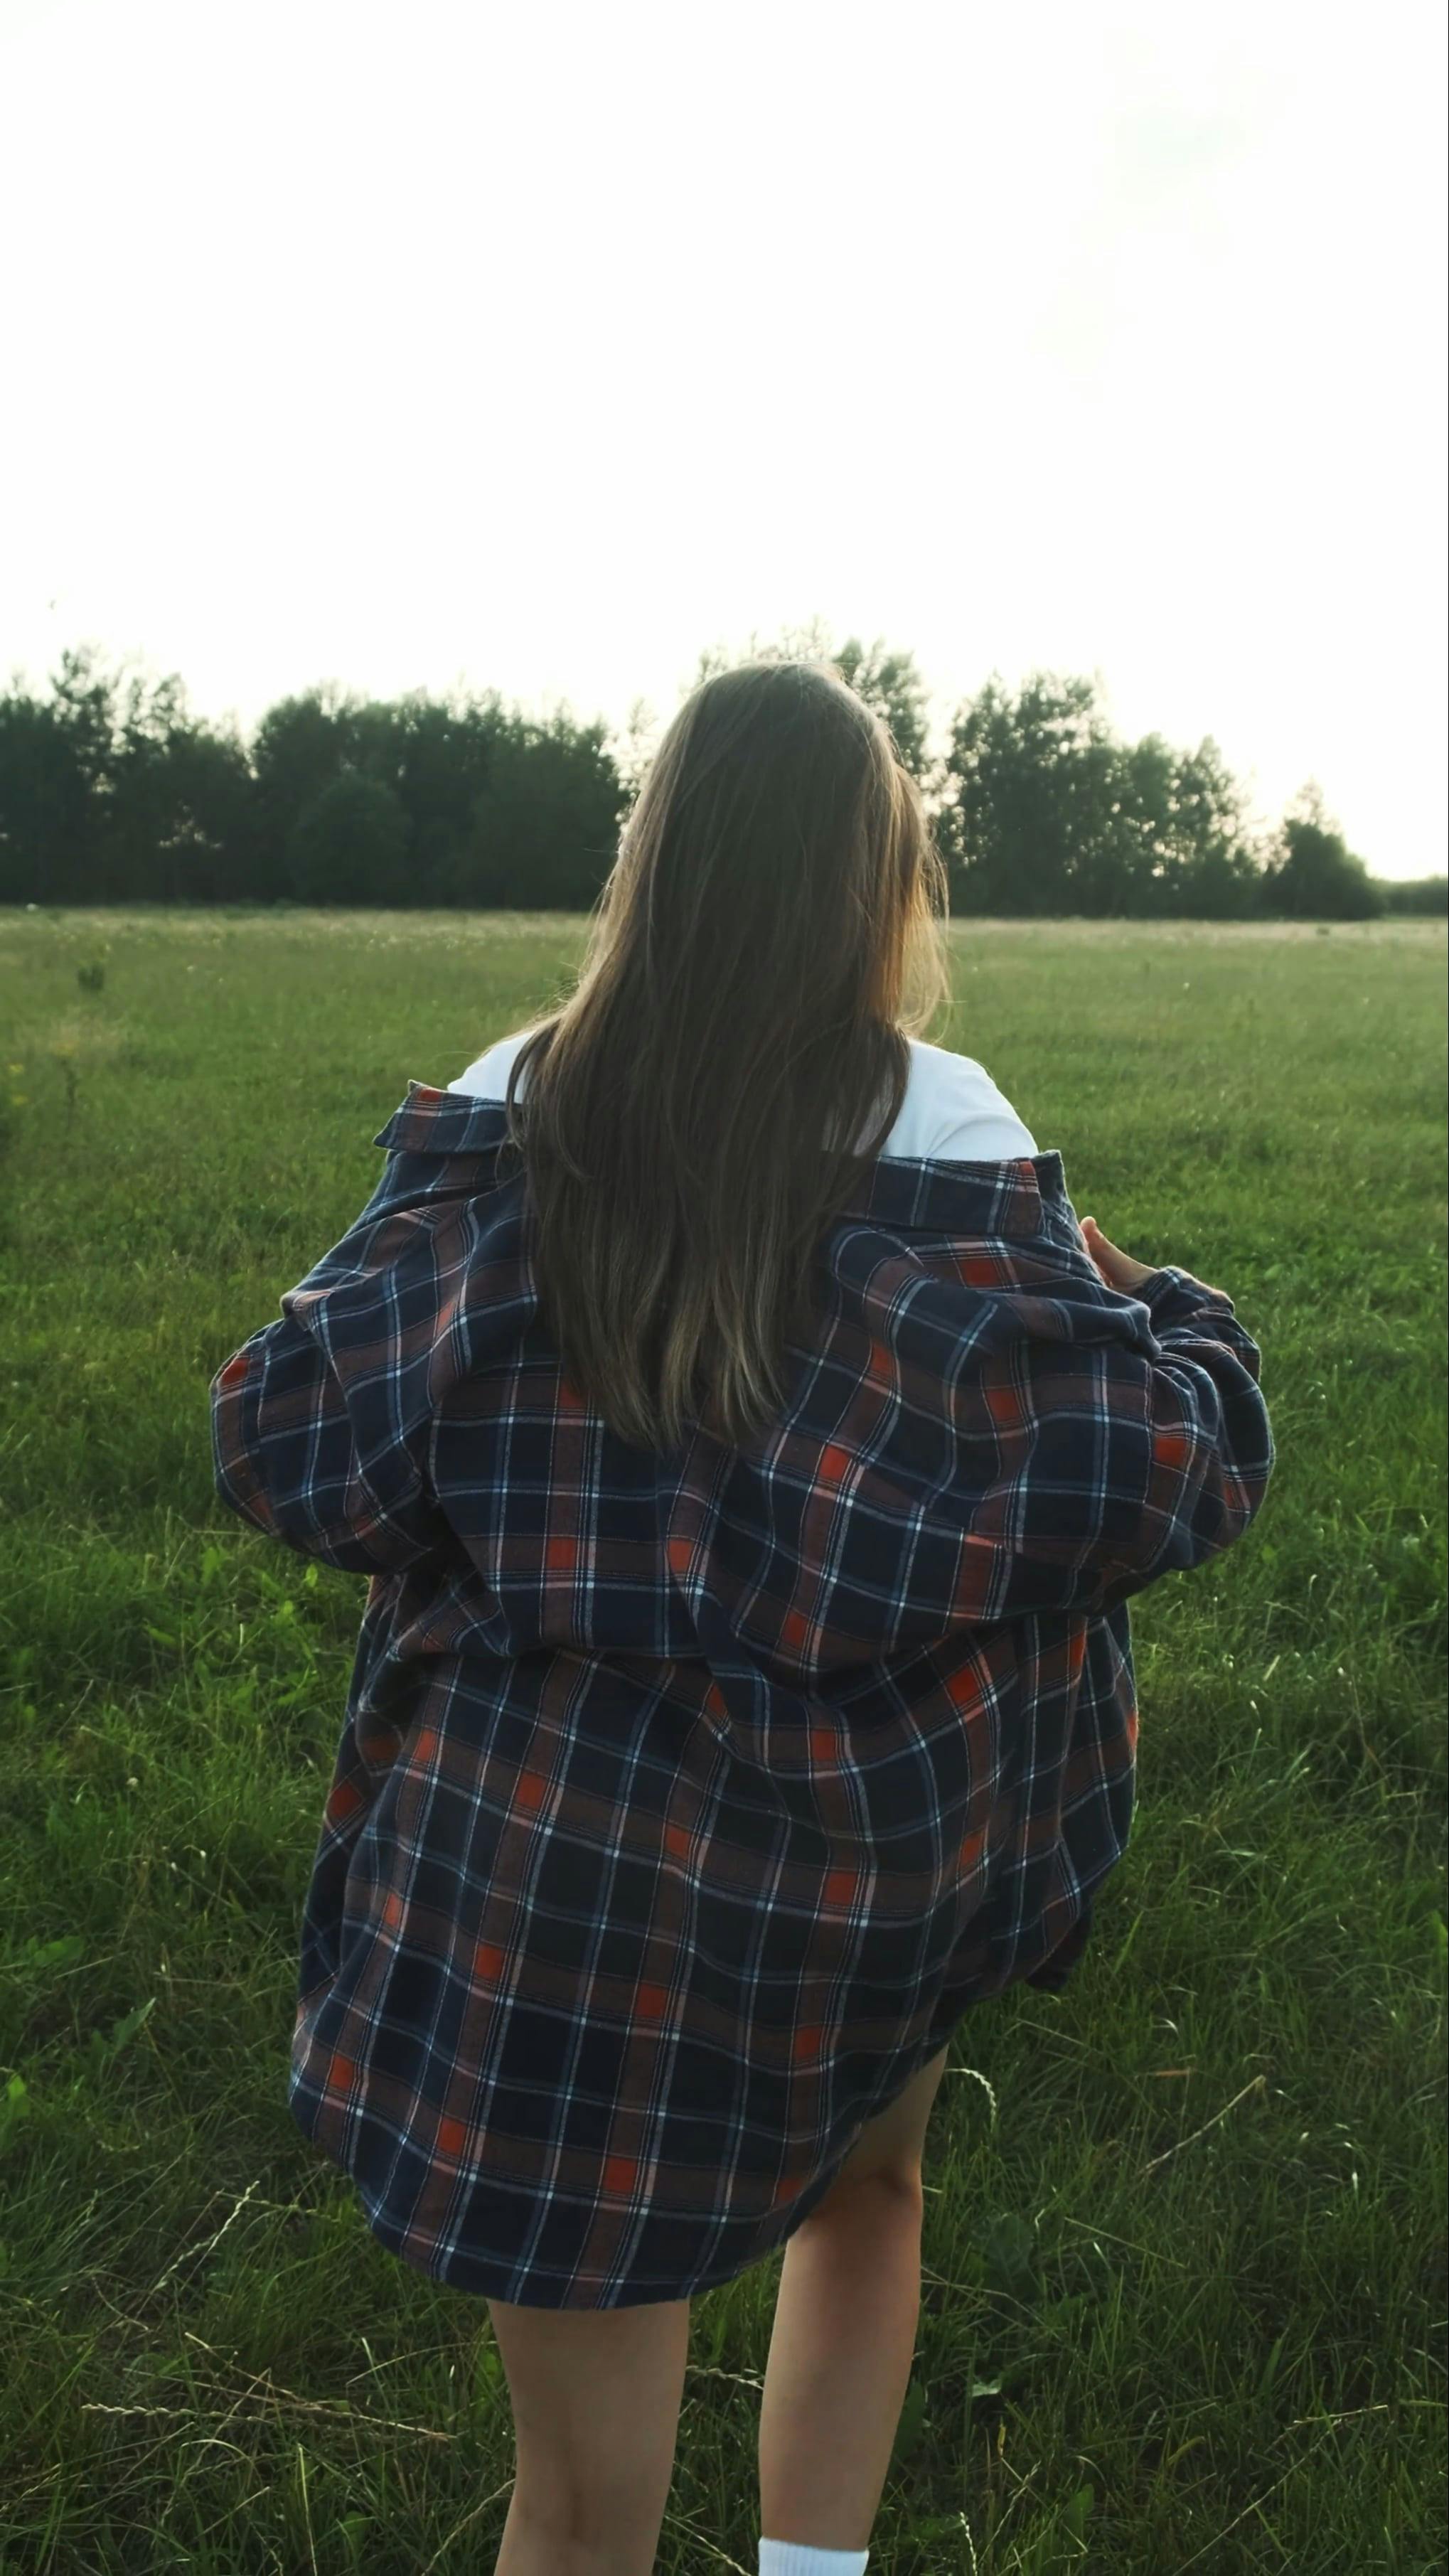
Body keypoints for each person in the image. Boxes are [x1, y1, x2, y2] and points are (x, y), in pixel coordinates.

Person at [210, 658, 1274, 2576]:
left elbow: (297, 1436)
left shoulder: (511, 1102)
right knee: (868, 2204)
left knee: (576, 2504)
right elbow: (1142, 1473)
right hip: (865, 1867)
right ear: (880, 885)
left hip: (549, 1888)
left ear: (660, 854)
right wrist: (1185, 1314)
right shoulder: (945, 1127)